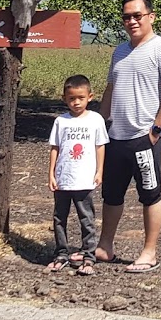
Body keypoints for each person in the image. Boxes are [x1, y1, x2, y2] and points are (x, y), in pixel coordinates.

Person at [94, 0, 161, 274]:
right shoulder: (119, 51)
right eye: (126, 17)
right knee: (112, 194)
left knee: (150, 194)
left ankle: (149, 252)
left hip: (145, 137)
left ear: (151, 17)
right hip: (115, 136)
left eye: (137, 16)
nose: (131, 21)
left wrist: (156, 129)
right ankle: (105, 246)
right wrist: (98, 123)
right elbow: (110, 89)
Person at [46, 74, 107, 276]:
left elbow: (100, 147)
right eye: (72, 98)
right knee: (59, 218)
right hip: (64, 178)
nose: (76, 102)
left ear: (90, 96)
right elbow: (55, 148)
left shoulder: (95, 120)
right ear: (65, 99)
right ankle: (61, 254)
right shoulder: (61, 122)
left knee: (86, 219)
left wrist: (100, 171)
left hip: (84, 179)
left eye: (81, 97)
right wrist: (51, 174)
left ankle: (88, 256)